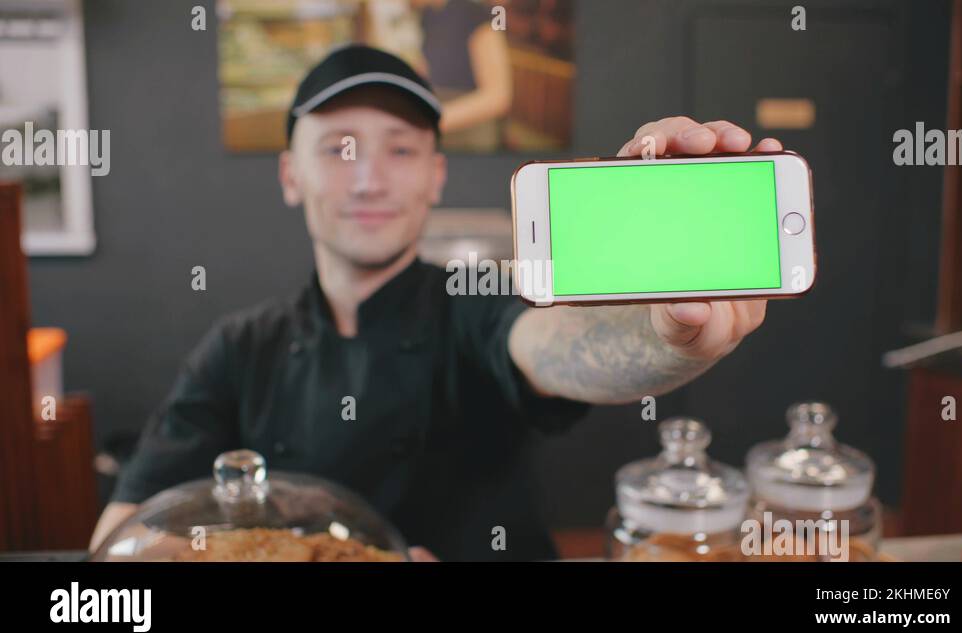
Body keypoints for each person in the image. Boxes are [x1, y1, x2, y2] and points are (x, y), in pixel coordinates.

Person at [90, 45, 782, 561]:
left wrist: (664, 335)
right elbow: (122, 531)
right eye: (339, 149)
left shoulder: (473, 304)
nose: (369, 179)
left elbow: (563, 349)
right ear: (290, 175)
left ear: (435, 175)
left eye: (401, 150)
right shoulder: (238, 348)